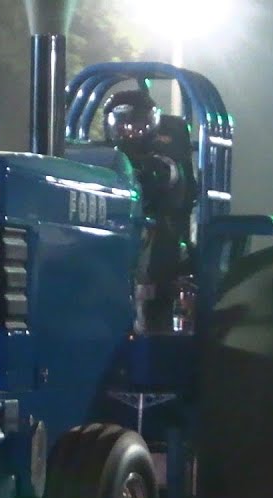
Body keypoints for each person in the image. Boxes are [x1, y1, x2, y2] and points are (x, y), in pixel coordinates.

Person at [104, 89, 197, 332]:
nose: (129, 132)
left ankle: (150, 327)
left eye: (135, 125)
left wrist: (138, 171)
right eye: (122, 125)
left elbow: (162, 177)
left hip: (158, 238)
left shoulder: (165, 161)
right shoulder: (104, 160)